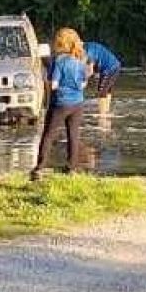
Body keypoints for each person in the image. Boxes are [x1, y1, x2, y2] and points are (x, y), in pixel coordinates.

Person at [30, 28, 87, 181]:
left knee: (48, 135)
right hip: (78, 103)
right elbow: (83, 84)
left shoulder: (58, 61)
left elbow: (54, 84)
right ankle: (71, 168)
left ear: (59, 44)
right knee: (73, 135)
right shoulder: (80, 61)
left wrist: (48, 80)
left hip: (60, 103)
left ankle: (39, 168)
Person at [84, 40, 122, 116]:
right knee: (107, 90)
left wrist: (84, 80)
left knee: (102, 91)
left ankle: (102, 115)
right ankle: (106, 111)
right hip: (115, 65)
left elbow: (90, 70)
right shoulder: (89, 46)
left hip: (110, 68)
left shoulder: (89, 51)